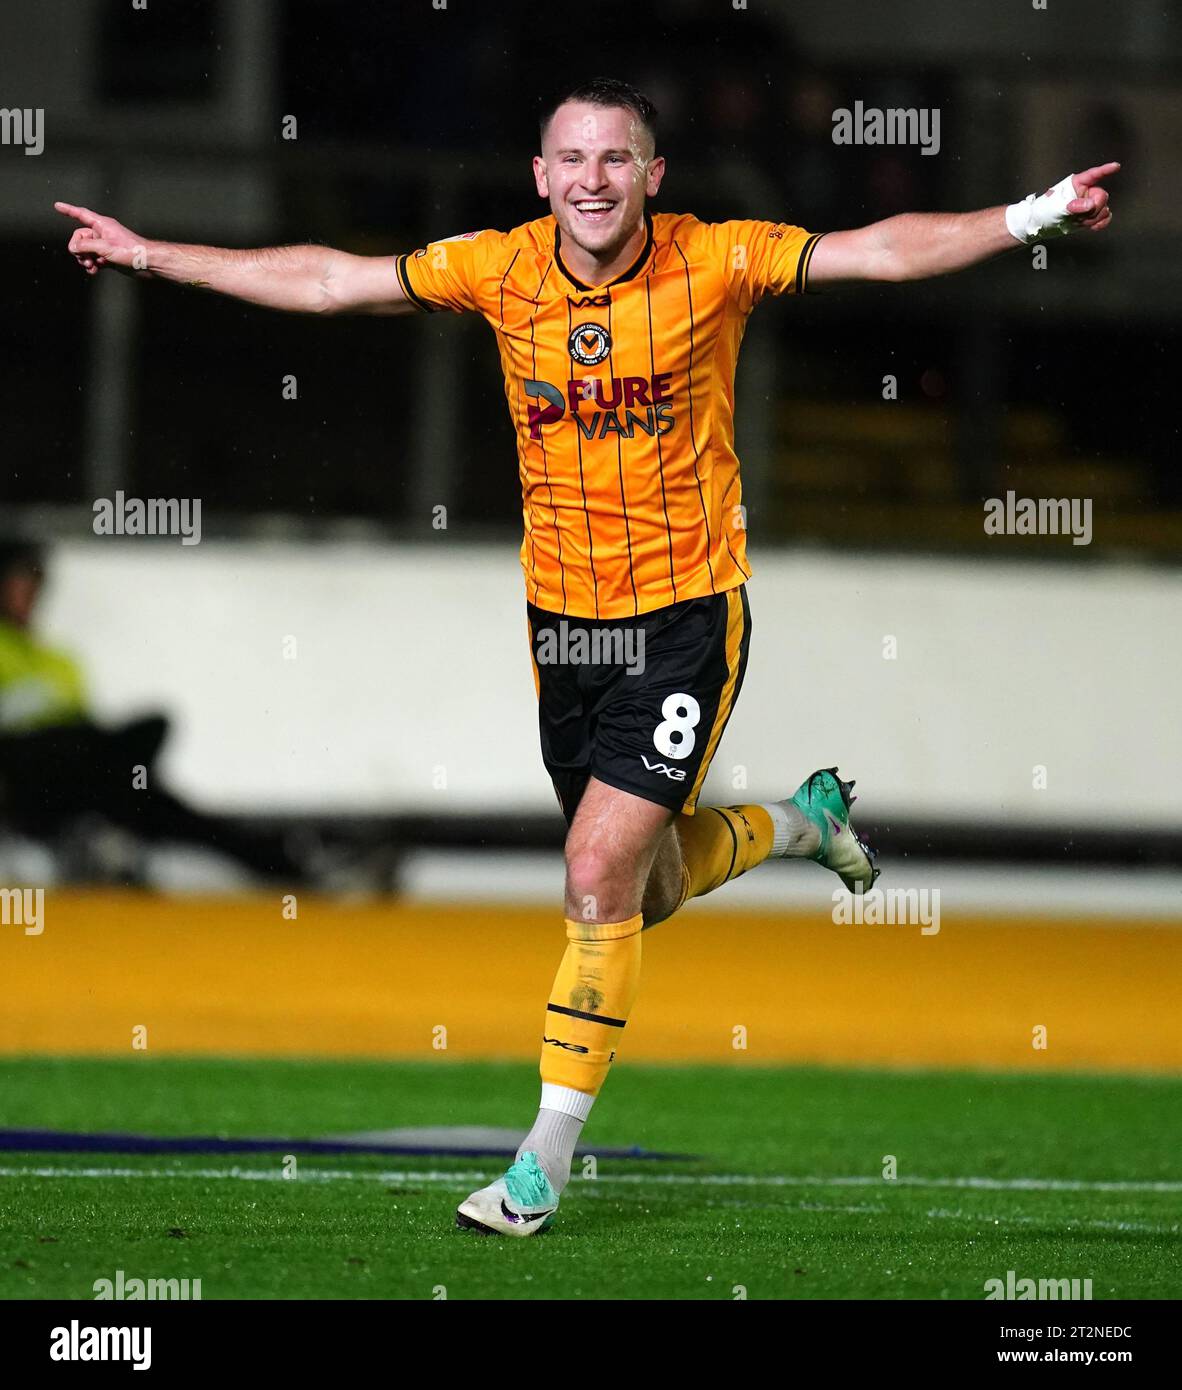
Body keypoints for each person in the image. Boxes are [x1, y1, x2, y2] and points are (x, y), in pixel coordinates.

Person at [55, 76, 1117, 1236]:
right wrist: (157, 254)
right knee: (642, 889)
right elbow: (329, 279)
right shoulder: (499, 268)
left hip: (686, 621)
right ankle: (803, 822)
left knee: (593, 874)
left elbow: (879, 253)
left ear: (653, 176)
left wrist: (1028, 217)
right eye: (572, 159)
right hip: (563, 631)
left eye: (618, 158)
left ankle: (541, 1161)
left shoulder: (716, 260)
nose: (594, 179)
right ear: (541, 178)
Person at [0, 540, 312, 884]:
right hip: (22, 774)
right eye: (18, 583)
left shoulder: (60, 660)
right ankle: (99, 836)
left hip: (80, 774)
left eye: (34, 584)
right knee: (91, 759)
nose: (28, 594)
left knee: (148, 758)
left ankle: (279, 861)